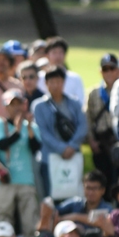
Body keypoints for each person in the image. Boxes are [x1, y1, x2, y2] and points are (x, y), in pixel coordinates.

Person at [0, 89, 40, 237]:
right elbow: (1, 144)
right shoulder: (0, 124)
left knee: (31, 220)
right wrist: (17, 131)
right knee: (4, 221)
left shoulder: (32, 126)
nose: (17, 108)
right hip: (5, 180)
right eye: (13, 104)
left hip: (26, 179)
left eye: (19, 104)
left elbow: (36, 148)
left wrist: (29, 128)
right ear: (6, 107)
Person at [31, 67, 87, 197]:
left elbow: (83, 126)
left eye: (58, 81)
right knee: (50, 196)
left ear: (64, 82)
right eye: (51, 82)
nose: (55, 85)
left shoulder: (75, 103)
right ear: (46, 83)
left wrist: (72, 146)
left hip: (73, 155)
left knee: (74, 194)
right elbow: (42, 132)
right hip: (49, 158)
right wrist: (61, 148)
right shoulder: (38, 106)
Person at [41, 170, 112, 237]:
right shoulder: (75, 202)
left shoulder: (108, 208)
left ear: (103, 190)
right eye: (88, 188)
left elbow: (102, 223)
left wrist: (75, 217)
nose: (91, 192)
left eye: (94, 188)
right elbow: (54, 210)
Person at [86, 53, 119, 190]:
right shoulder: (94, 93)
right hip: (101, 140)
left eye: (112, 69)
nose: (109, 73)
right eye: (105, 69)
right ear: (100, 72)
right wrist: (91, 140)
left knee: (118, 176)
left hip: (118, 139)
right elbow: (88, 118)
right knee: (103, 177)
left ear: (118, 70)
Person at [38, 37, 84, 101]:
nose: (58, 56)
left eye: (60, 52)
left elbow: (80, 102)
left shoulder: (75, 78)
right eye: (54, 53)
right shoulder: (39, 77)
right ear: (47, 55)